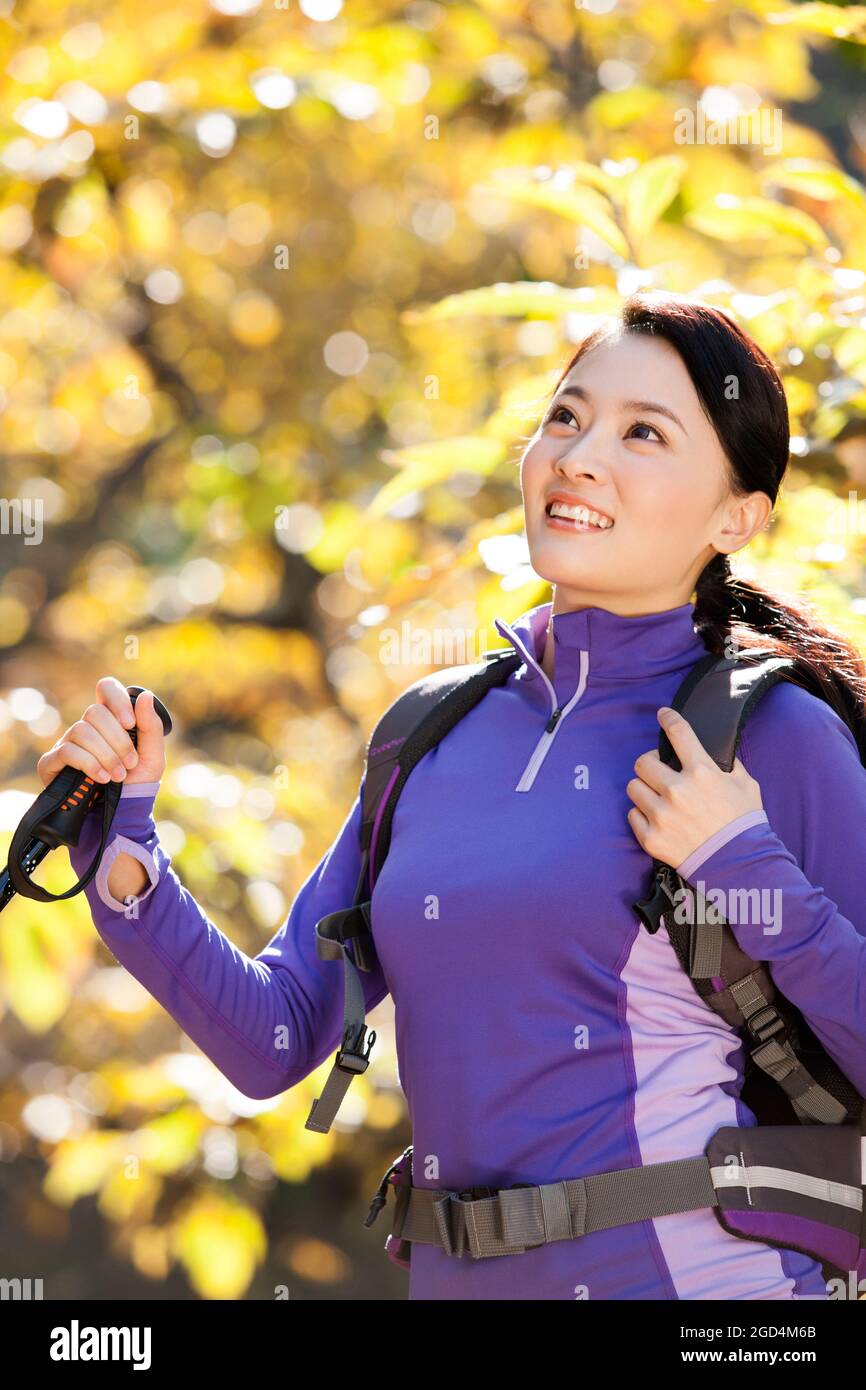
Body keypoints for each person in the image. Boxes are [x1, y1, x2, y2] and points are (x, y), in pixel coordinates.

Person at [39, 292, 866, 1300]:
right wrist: (126, 853)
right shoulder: (432, 732)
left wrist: (747, 869)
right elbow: (274, 1036)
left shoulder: (769, 736)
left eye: (642, 432)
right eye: (564, 415)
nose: (577, 454)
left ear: (735, 517)